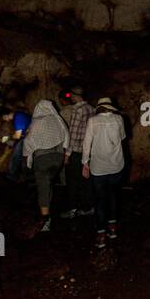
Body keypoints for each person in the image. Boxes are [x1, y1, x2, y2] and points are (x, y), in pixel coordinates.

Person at [82, 96, 126, 249]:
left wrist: (84, 163)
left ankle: (101, 235)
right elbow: (123, 137)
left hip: (98, 167)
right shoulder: (119, 119)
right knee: (113, 195)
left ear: (99, 108)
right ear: (111, 107)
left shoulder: (93, 121)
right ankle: (112, 229)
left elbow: (87, 143)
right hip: (116, 165)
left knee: (100, 200)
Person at [23, 100, 69, 233]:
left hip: (43, 159)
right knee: (48, 183)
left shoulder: (36, 122)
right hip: (58, 158)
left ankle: (45, 220)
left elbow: (28, 141)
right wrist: (66, 154)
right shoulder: (57, 120)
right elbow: (66, 136)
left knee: (43, 187)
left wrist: (27, 157)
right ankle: (48, 206)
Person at [60, 87, 94, 219]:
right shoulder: (92, 109)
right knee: (86, 180)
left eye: (71, 96)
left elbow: (73, 134)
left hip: (76, 151)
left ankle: (72, 209)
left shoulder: (77, 110)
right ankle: (87, 207)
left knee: (72, 181)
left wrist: (67, 154)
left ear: (75, 96)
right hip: (88, 150)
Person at [1, 105, 31, 181]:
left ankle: (12, 176)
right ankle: (24, 175)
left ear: (6, 115)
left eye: (4, 117)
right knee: (21, 154)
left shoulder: (18, 117)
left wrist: (7, 138)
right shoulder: (19, 114)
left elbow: (17, 136)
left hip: (30, 138)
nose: (5, 120)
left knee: (16, 155)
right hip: (29, 137)